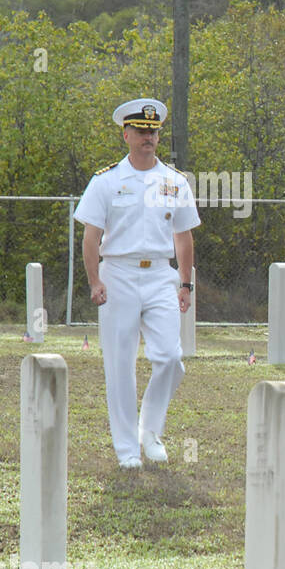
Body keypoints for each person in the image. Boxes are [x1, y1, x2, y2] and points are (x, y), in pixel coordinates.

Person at [75, 98, 200, 469]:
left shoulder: (175, 182)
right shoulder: (107, 181)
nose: (148, 137)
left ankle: (150, 431)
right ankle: (127, 448)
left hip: (161, 274)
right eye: (142, 132)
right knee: (120, 364)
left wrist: (185, 284)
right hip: (118, 274)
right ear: (126, 134)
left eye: (154, 131)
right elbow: (91, 236)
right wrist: (94, 279)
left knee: (170, 357)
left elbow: (184, 238)